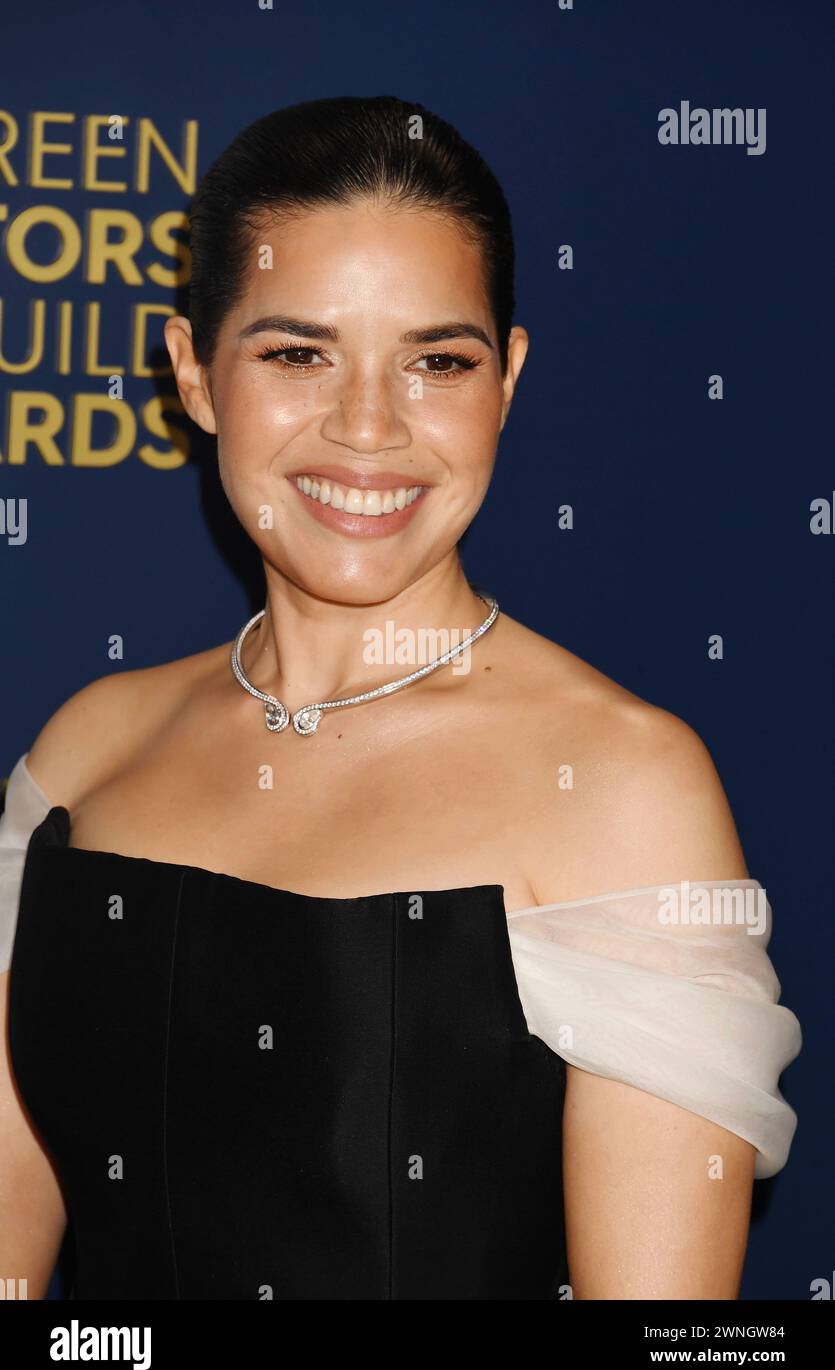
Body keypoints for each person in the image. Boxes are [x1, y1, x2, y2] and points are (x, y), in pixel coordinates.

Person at [0, 95, 801, 1301]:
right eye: (296, 353)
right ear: (194, 372)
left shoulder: (624, 785)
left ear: (506, 380)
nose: (367, 428)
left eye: (436, 361)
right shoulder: (87, 747)